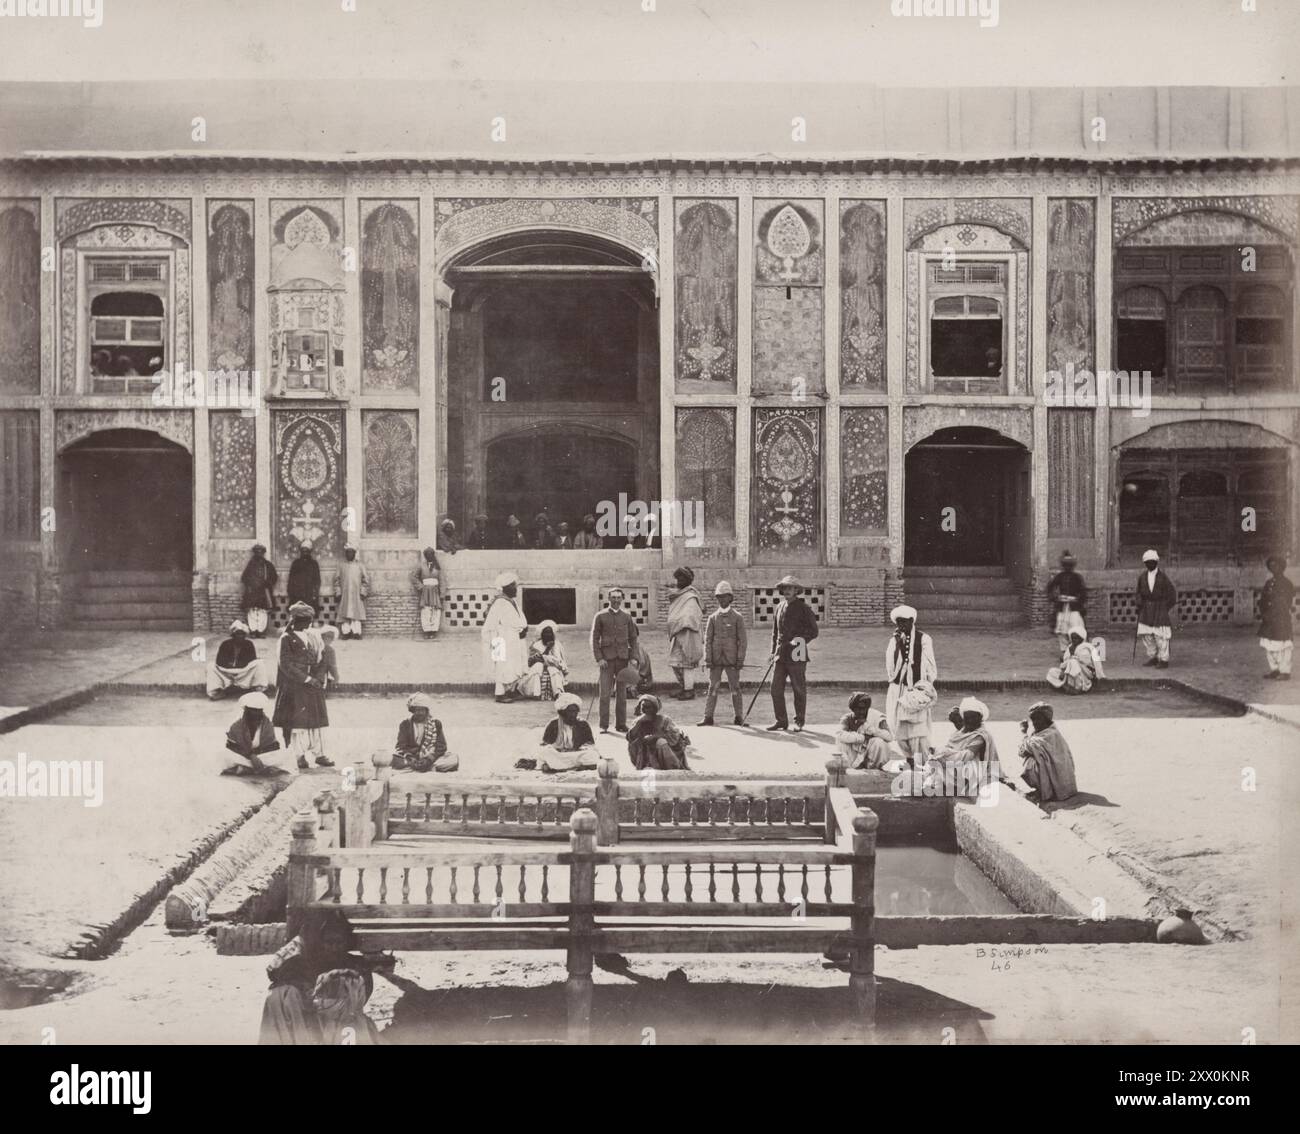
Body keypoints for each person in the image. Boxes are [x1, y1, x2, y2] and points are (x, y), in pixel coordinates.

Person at [259, 915, 381, 1045]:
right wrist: (299, 942)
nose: (334, 947)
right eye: (329, 942)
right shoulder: (314, 962)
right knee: (280, 995)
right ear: (322, 943)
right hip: (314, 1021)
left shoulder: (356, 963)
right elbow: (273, 971)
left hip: (344, 1024)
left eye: (339, 942)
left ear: (346, 943)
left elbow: (363, 994)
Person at [273, 601, 334, 770]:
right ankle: (299, 757)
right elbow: (285, 665)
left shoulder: (313, 636)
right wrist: (307, 679)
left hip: (314, 686)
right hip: (295, 687)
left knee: (317, 723)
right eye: (306, 619)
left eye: (310, 619)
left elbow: (323, 659)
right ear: (296, 619)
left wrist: (319, 678)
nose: (309, 623)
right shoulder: (286, 639)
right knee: (298, 724)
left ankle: (320, 755)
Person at [767, 575, 819, 732]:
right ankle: (781, 721)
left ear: (796, 590)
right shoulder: (779, 607)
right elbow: (775, 633)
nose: (787, 591)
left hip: (798, 652)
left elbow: (813, 631)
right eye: (785, 588)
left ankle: (799, 721)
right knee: (775, 688)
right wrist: (772, 651)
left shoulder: (804, 609)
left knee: (798, 688)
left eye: (790, 588)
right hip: (780, 653)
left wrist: (799, 641)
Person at [885, 605, 936, 758]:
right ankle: (908, 757)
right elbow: (891, 668)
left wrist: (924, 687)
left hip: (917, 688)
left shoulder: (924, 639)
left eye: (904, 622)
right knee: (898, 724)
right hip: (899, 689)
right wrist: (898, 646)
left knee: (917, 726)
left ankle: (921, 757)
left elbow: (929, 664)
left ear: (912, 621)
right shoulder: (894, 640)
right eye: (899, 623)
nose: (901, 626)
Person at [925, 697, 1000, 794]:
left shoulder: (981, 735)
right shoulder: (962, 731)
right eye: (967, 718)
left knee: (944, 764)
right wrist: (938, 752)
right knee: (932, 762)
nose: (970, 721)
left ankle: (950, 785)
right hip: (957, 762)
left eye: (973, 718)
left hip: (971, 768)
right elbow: (951, 745)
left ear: (980, 718)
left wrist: (944, 755)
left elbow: (967, 755)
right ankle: (934, 783)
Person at [698, 580, 747, 726]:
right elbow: (707, 640)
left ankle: (739, 717)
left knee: (735, 688)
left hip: (732, 660)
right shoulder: (713, 618)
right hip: (715, 660)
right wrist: (708, 659)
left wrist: (740, 659)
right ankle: (708, 717)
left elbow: (742, 641)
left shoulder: (738, 617)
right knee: (712, 687)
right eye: (719, 597)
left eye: (725, 596)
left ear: (730, 598)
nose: (722, 600)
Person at [592, 586, 639, 733]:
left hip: (623, 659)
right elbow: (594, 639)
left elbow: (633, 638)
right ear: (609, 599)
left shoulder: (627, 616)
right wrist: (599, 658)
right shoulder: (600, 616)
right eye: (613, 597)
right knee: (605, 694)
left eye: (619, 598)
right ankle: (604, 725)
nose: (616, 600)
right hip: (606, 660)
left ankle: (621, 724)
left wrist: (633, 657)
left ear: (622, 599)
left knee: (622, 694)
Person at [515, 692, 600, 773]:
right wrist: (557, 750)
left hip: (576, 754)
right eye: (570, 711)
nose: (573, 714)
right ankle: (573, 767)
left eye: (575, 711)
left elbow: (590, 743)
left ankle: (556, 767)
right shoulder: (553, 724)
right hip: (559, 755)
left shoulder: (583, 724)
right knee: (546, 753)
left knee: (592, 755)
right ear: (563, 713)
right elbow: (544, 744)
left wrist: (583, 747)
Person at [481, 570, 529, 702]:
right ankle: (500, 694)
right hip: (502, 640)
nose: (516, 589)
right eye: (514, 586)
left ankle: (510, 690)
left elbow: (518, 619)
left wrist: (523, 628)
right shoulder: (500, 602)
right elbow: (491, 625)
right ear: (507, 587)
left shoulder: (512, 601)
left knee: (513, 665)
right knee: (502, 666)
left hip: (513, 639)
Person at [1016, 701, 1077, 803]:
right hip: (1065, 785)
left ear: (1046, 719)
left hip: (1061, 784)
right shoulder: (1049, 731)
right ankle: (1049, 789)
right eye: (1033, 719)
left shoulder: (1048, 735)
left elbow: (1023, 751)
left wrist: (1023, 732)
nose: (1034, 722)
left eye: (1037, 718)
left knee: (1030, 761)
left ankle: (1045, 792)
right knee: (1037, 757)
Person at [222, 691, 285, 776]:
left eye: (259, 713)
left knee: (283, 756)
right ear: (246, 713)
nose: (256, 718)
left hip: (261, 756)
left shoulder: (267, 724)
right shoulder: (237, 725)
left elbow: (274, 746)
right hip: (243, 756)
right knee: (225, 756)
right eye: (253, 714)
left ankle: (246, 769)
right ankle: (252, 768)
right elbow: (231, 746)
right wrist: (251, 756)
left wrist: (257, 755)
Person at [666, 566, 704, 700]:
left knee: (687, 664)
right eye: (678, 578)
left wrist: (680, 623)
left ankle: (689, 690)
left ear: (688, 580)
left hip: (688, 635)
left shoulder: (690, 597)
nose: (679, 581)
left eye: (682, 578)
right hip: (678, 633)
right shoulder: (679, 595)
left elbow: (692, 617)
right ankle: (683, 687)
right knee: (676, 662)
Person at [391, 692, 455, 772]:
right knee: (391, 758)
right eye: (417, 710)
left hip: (430, 758)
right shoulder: (405, 724)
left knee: (453, 759)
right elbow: (401, 746)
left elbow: (441, 746)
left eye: (422, 710)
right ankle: (421, 767)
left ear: (426, 711)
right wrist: (411, 758)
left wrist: (428, 759)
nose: (420, 713)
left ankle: (423, 767)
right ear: (413, 711)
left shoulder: (436, 723)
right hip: (411, 758)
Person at [1136, 549, 1177, 669]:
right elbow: (1138, 593)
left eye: (1152, 562)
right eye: (1147, 562)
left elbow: (1172, 595)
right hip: (1146, 609)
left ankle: (1163, 659)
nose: (1149, 564)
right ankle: (1153, 657)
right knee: (1147, 634)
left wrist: (1164, 607)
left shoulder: (1163, 577)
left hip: (1159, 609)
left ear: (1156, 562)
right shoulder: (1142, 577)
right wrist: (1139, 603)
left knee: (1161, 636)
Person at [626, 694, 690, 771]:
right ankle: (645, 765)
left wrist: (656, 737)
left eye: (648, 707)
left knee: (661, 742)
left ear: (654, 709)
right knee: (635, 741)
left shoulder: (664, 720)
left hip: (666, 754)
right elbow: (629, 737)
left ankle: (673, 768)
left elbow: (674, 737)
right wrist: (639, 723)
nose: (645, 710)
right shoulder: (638, 721)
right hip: (646, 755)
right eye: (643, 707)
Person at [206, 620, 269, 699]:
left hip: (243, 672)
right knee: (211, 666)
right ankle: (216, 692)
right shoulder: (225, 644)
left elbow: (252, 660)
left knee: (260, 664)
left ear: (245, 635)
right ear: (233, 635)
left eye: (242, 634)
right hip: (227, 672)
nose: (240, 636)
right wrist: (229, 665)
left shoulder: (249, 644)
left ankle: (258, 690)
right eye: (238, 634)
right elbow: (219, 660)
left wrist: (239, 664)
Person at [835, 691, 896, 770]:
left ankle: (873, 767)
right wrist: (863, 738)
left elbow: (890, 737)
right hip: (855, 754)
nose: (861, 712)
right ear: (852, 709)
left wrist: (871, 729)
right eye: (858, 709)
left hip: (870, 753)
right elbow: (839, 734)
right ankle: (853, 766)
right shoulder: (847, 718)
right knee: (841, 741)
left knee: (879, 742)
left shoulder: (876, 716)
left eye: (864, 709)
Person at [1047, 613, 1106, 693]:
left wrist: (1100, 676)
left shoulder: (1089, 647)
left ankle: (1077, 687)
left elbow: (1096, 662)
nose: (1074, 640)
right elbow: (1065, 662)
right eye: (1073, 638)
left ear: (1082, 638)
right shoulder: (1069, 647)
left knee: (1073, 662)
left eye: (1076, 638)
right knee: (1052, 671)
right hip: (1068, 671)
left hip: (1085, 672)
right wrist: (1063, 669)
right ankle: (1067, 686)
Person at [1258, 556, 1294, 681]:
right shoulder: (1269, 583)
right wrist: (1264, 613)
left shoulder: (1287, 583)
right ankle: (1274, 669)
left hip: (1281, 618)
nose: (1274, 568)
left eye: (1276, 566)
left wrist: (1277, 613)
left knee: (1283, 645)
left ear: (1282, 567)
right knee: (1269, 645)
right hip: (1269, 618)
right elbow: (1263, 600)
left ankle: (1285, 671)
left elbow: (1287, 601)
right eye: (1271, 566)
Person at [1046, 551, 1088, 651]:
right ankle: (1065, 650)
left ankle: (1079, 649)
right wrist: (1054, 598)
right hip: (1062, 607)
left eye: (1069, 565)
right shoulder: (1059, 577)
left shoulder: (1077, 577)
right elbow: (1050, 587)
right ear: (1063, 566)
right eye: (1065, 565)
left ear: (1073, 566)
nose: (1067, 567)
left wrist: (1078, 600)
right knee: (1061, 629)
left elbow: (1083, 592)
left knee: (1076, 626)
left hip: (1074, 607)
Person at [519, 620, 569, 700]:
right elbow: (530, 662)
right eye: (546, 633)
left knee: (553, 669)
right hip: (538, 670)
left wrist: (548, 659)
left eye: (550, 633)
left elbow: (560, 662)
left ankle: (557, 693)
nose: (548, 635)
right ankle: (536, 693)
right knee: (538, 666)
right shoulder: (536, 645)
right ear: (542, 634)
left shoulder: (557, 645)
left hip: (553, 668)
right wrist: (547, 651)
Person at [240, 543, 278, 638]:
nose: (259, 554)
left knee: (263, 612)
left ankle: (261, 631)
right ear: (254, 553)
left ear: (263, 553)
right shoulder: (250, 565)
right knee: (252, 612)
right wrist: (250, 584)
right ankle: (253, 631)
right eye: (257, 552)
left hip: (264, 592)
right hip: (252, 592)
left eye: (261, 552)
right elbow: (244, 578)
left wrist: (267, 583)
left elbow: (274, 577)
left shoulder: (268, 565)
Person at [333, 544, 370, 640]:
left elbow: (366, 580)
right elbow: (336, 580)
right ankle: (346, 632)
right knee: (345, 613)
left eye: (351, 552)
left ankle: (356, 632)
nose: (349, 554)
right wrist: (338, 592)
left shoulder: (360, 565)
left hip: (357, 594)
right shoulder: (341, 566)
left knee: (356, 613)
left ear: (354, 553)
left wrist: (363, 592)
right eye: (347, 552)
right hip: (345, 594)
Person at [411, 546, 444, 639]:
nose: (429, 556)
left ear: (433, 555)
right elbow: (413, 577)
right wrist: (421, 587)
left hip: (435, 591)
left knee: (435, 610)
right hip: (425, 591)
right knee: (426, 610)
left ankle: (433, 631)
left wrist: (442, 594)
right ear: (425, 556)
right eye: (427, 555)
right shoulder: (421, 565)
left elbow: (442, 580)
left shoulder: (437, 566)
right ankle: (427, 631)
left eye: (431, 554)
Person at [287, 542, 322, 617]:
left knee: (309, 615)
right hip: (297, 595)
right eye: (303, 551)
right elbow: (291, 580)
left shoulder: (314, 564)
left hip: (309, 595)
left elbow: (317, 581)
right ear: (300, 552)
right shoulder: (296, 563)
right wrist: (291, 593)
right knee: (297, 616)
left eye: (307, 551)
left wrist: (315, 594)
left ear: (310, 552)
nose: (304, 553)